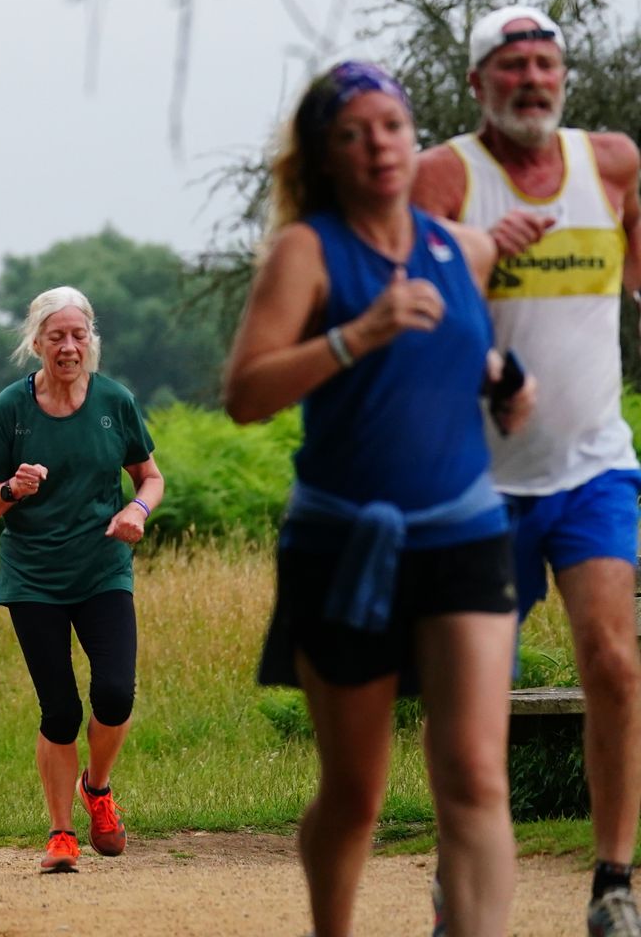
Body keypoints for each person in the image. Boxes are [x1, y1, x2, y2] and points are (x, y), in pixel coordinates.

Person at [226, 61, 529, 937]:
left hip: (464, 534)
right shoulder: (307, 252)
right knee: (355, 795)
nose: (378, 146)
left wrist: (507, 382)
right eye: (353, 134)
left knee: (474, 775)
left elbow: (462, 355)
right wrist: (358, 334)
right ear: (327, 156)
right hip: (345, 545)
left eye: (390, 126)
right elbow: (245, 394)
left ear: (413, 135)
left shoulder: (460, 246)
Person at [412, 6, 641, 936]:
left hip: (593, 468)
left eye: (547, 63)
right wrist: (472, 266)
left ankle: (614, 884)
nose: (533, 79)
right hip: (477, 481)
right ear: (478, 85)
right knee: (471, 691)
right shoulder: (444, 176)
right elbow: (412, 321)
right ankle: (461, 862)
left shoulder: (615, 164)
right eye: (513, 66)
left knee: (616, 662)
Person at [0, 286, 164, 874]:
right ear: (37, 342)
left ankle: (97, 789)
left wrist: (137, 511)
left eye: (79, 335)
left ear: (91, 342)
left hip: (103, 570)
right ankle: (60, 833)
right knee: (59, 710)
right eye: (57, 336)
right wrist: (11, 489)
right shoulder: (10, 409)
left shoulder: (115, 401)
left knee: (114, 694)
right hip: (34, 578)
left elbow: (149, 477)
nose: (69, 346)